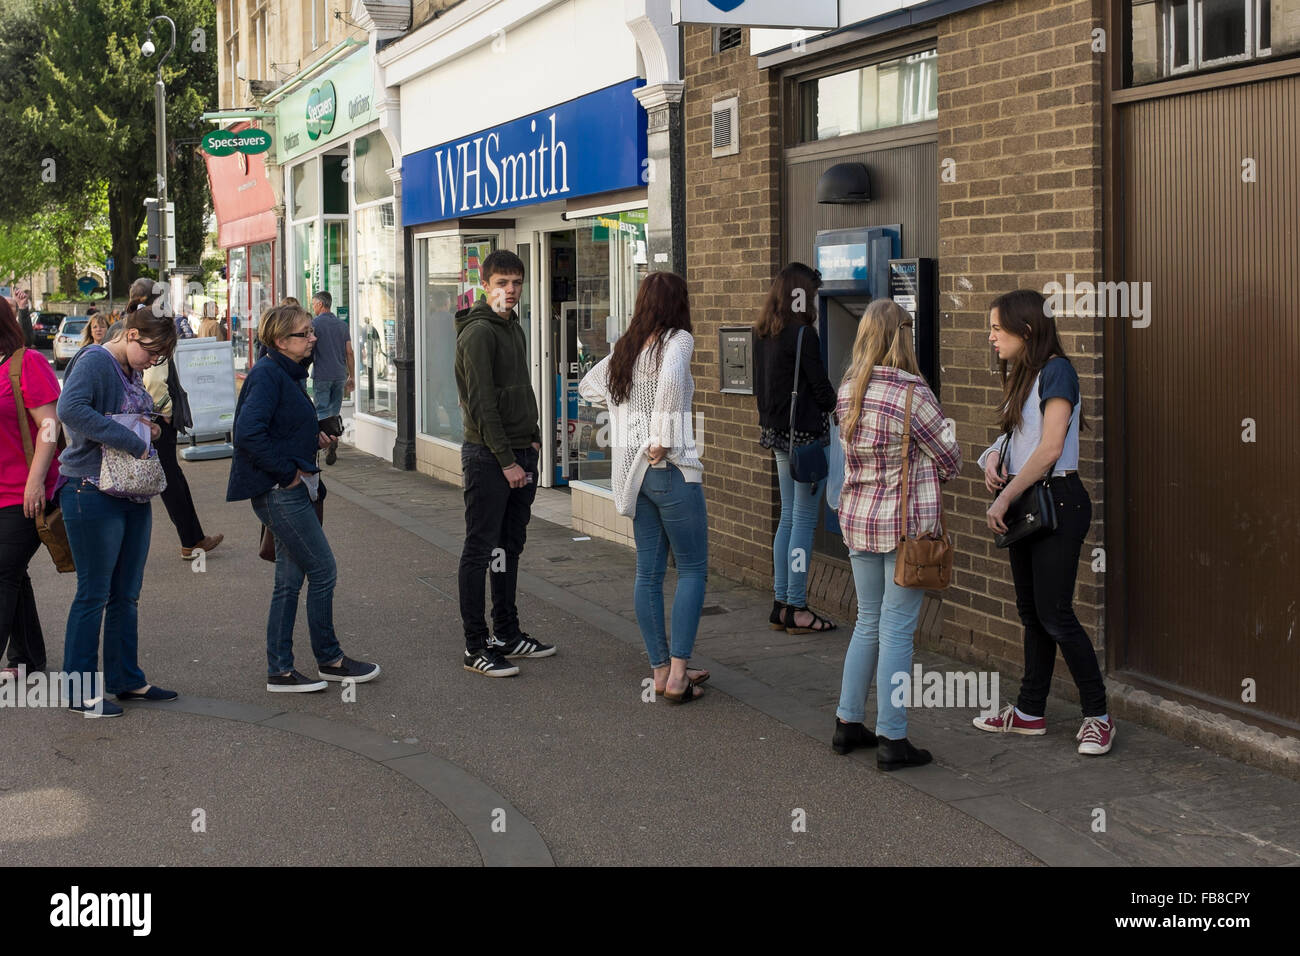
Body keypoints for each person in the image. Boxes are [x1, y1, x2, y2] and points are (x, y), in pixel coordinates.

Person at [973, 289, 1112, 755]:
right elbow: (1017, 435)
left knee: (1056, 614)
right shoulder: (1025, 374)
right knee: (1032, 614)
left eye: (997, 328)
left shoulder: (1057, 371)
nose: (991, 337)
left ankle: (1098, 716)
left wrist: (1004, 497)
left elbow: (1051, 448)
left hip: (1058, 502)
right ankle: (1030, 711)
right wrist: (992, 457)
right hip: (1029, 502)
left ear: (1026, 330)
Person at [831, 300, 962, 769]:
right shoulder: (913, 394)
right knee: (898, 631)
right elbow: (951, 459)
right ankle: (892, 737)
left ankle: (847, 724)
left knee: (867, 621)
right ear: (903, 337)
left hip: (859, 522)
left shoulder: (849, 391)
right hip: (907, 531)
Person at [227, 303, 379, 693]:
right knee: (324, 570)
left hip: (287, 490)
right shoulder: (268, 375)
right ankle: (329, 659)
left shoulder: (286, 373)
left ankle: (281, 669)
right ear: (280, 341)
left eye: (311, 331)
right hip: (282, 494)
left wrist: (313, 438)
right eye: (305, 334)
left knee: (288, 582)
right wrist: (287, 473)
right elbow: (247, 434)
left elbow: (277, 429)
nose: (313, 338)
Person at [579, 272, 709, 703]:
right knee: (691, 570)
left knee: (648, 575)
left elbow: (589, 386)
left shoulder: (627, 346)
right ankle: (677, 676)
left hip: (636, 478)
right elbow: (671, 381)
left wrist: (626, 422)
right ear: (677, 303)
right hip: (670, 470)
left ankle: (659, 671)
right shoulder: (679, 340)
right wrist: (660, 439)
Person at [57, 303, 180, 717]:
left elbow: (129, 418)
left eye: (160, 357)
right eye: (151, 352)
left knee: (126, 594)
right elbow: (70, 411)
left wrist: (153, 425)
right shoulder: (95, 361)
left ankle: (125, 679)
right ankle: (78, 691)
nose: (152, 361)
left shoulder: (129, 368)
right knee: (94, 594)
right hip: (90, 489)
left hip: (128, 491)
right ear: (130, 335)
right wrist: (134, 438)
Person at [455, 250, 552, 677]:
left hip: (519, 451)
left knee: (507, 547)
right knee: (480, 550)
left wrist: (532, 440)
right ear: (485, 283)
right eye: (502, 283)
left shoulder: (513, 327)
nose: (511, 290)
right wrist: (506, 460)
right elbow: (483, 405)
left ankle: (507, 634)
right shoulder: (478, 332)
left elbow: (520, 389)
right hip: (489, 456)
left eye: (516, 282)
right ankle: (475, 645)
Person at [753, 262, 839, 634]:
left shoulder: (763, 333)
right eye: (814, 294)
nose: (816, 301)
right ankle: (798, 607)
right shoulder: (804, 335)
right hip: (804, 437)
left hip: (778, 435)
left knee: (788, 517)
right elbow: (821, 391)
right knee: (803, 521)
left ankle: (781, 603)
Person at [122, 280, 223, 562]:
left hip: (138, 416)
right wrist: (163, 409)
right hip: (154, 418)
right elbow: (155, 377)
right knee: (168, 479)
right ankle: (191, 541)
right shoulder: (153, 325)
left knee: (158, 478)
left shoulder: (126, 322)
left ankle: (192, 538)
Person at [0, 296, 60, 679]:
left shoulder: (27, 363)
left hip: (22, 492)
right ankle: (26, 661)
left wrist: (35, 480)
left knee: (2, 572)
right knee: (12, 574)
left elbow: (50, 428)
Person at [309, 291, 354, 465]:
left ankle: (325, 444)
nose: (313, 307)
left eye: (314, 304)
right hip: (339, 375)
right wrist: (351, 375)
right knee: (334, 412)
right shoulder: (342, 326)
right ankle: (333, 439)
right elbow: (349, 352)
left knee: (321, 410)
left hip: (322, 374)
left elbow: (309, 349)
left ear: (320, 304)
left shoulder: (315, 324)